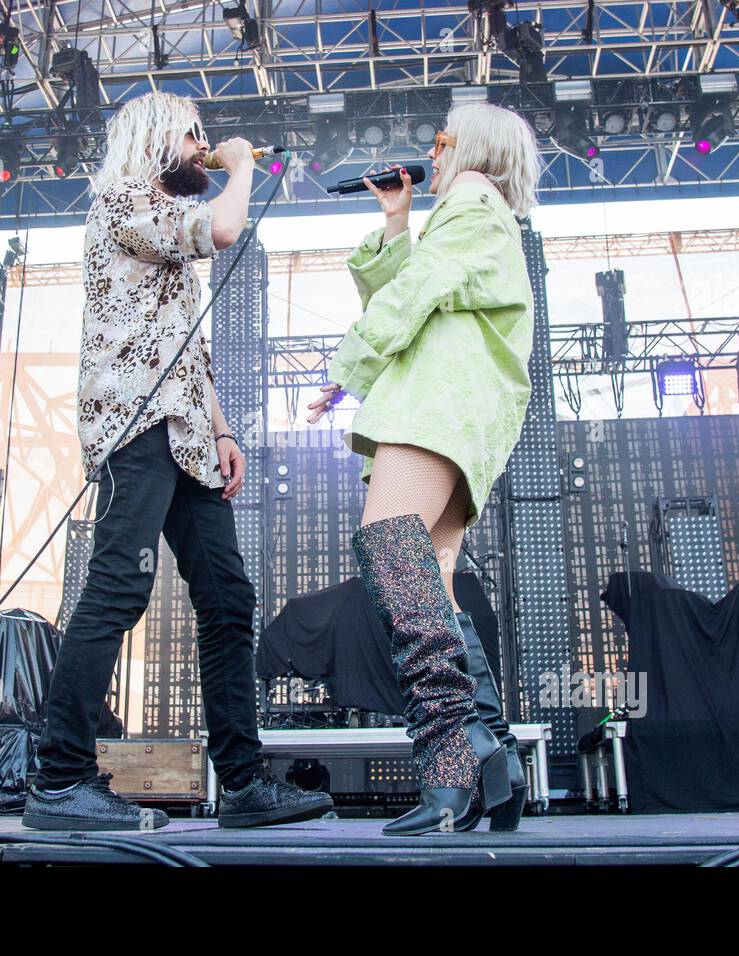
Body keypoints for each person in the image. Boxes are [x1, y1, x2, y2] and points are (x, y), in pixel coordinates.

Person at [24, 91, 333, 831]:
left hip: (187, 431)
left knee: (229, 600)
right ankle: (61, 778)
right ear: (158, 138)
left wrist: (223, 433)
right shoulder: (126, 200)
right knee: (117, 591)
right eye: (193, 133)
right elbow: (225, 226)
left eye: (206, 135)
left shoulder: (162, 222)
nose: (204, 144)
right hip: (138, 426)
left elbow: (187, 353)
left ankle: (246, 782)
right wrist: (242, 166)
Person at [307, 102, 541, 835]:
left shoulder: (471, 196)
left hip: (438, 401)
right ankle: (494, 757)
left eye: (443, 140)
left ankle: (454, 755)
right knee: (430, 583)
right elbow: (420, 287)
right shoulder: (478, 215)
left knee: (390, 551)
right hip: (462, 406)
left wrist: (346, 369)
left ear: (471, 147)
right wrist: (396, 224)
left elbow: (418, 293)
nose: (432, 153)